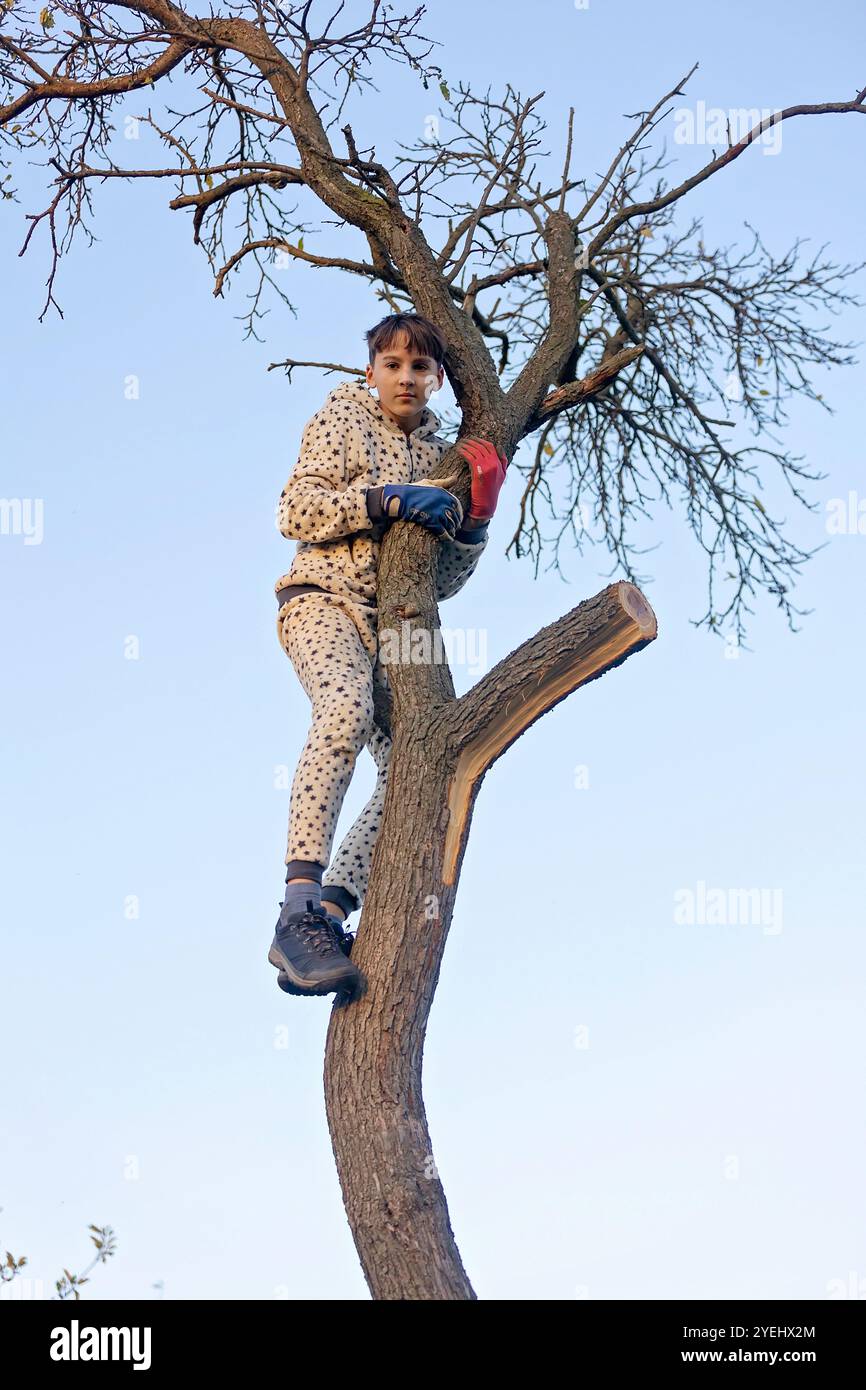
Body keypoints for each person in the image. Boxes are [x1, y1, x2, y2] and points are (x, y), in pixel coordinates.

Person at [268, 311, 508, 999]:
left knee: (419, 766)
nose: (406, 377)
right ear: (371, 372)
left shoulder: (439, 454)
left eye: (420, 367)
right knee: (341, 710)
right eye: (392, 364)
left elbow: (443, 584)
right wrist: (386, 500)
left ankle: (332, 920)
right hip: (322, 600)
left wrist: (477, 519)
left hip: (393, 632)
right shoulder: (342, 417)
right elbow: (296, 510)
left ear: (437, 379)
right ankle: (297, 907)